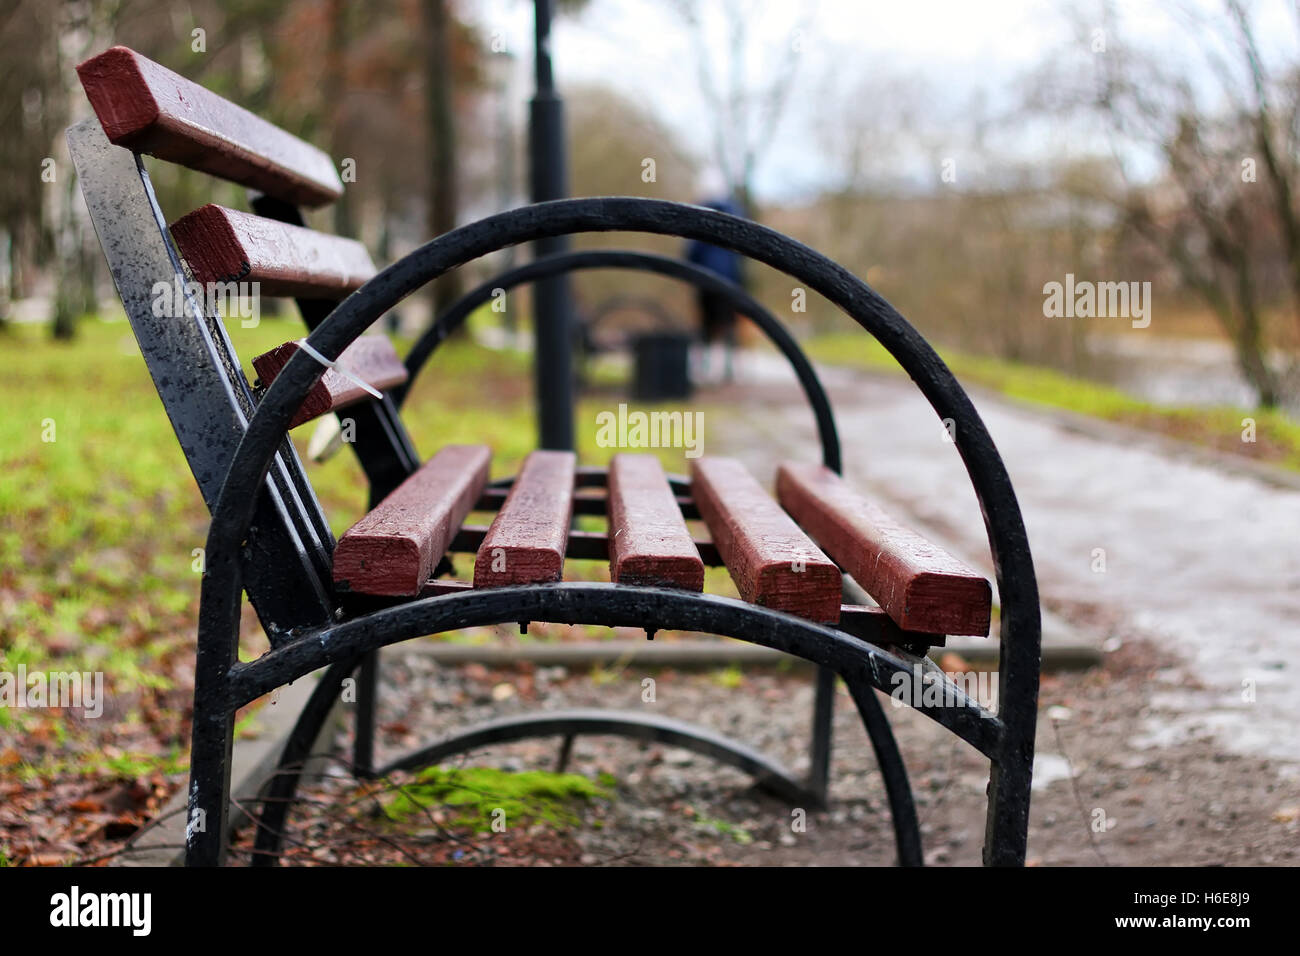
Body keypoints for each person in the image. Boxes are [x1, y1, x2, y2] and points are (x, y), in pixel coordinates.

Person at [685, 190, 745, 383]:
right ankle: (729, 368)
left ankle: (704, 367)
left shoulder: (701, 221)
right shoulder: (736, 220)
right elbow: (739, 258)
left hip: (705, 280)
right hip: (729, 281)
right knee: (728, 324)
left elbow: (692, 252)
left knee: (706, 325)